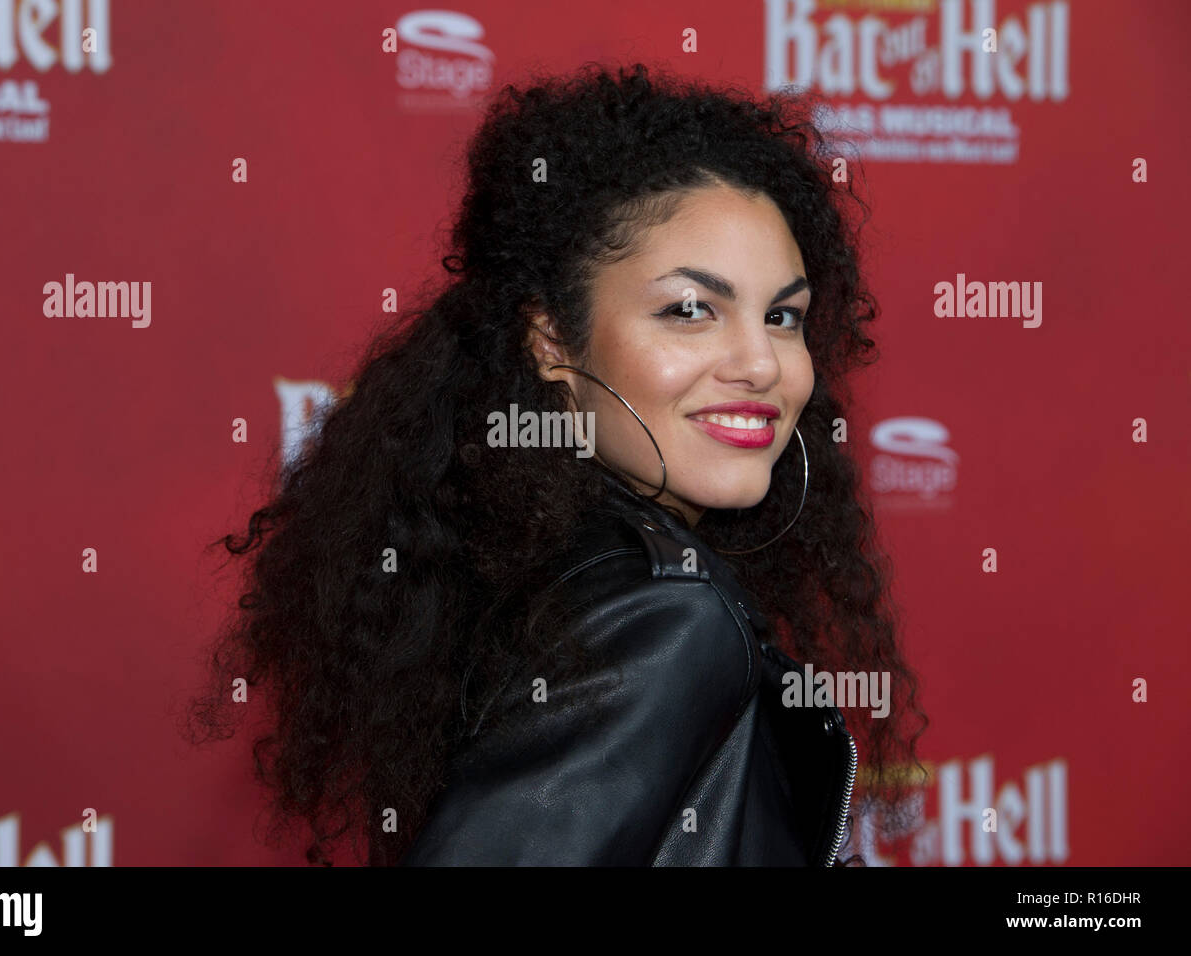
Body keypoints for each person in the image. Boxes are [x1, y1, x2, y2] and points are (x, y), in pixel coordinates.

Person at [187, 61, 926, 866]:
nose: (760, 362)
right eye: (690, 311)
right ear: (552, 341)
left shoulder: (556, 574)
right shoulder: (668, 620)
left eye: (783, 315)